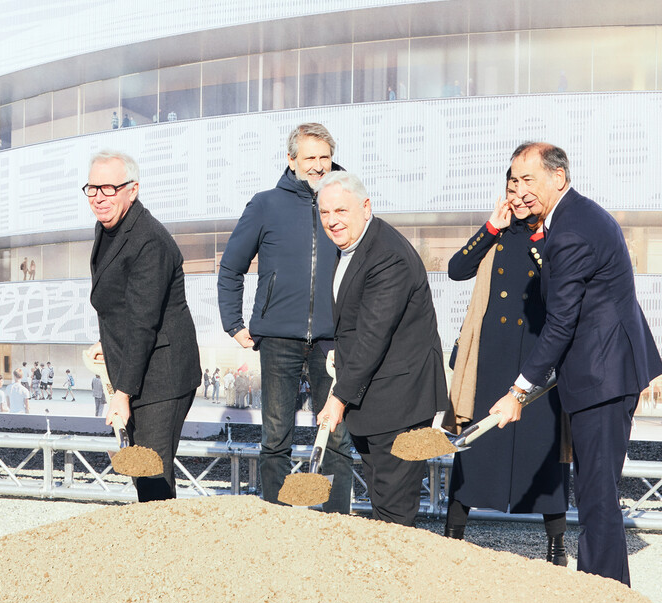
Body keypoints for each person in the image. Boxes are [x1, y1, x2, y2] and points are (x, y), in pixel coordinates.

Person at [488, 142, 662, 587]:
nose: (520, 190)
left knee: (597, 493)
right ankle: (603, 589)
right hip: (601, 368)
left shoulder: (570, 232)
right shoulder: (571, 217)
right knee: (593, 489)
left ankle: (604, 593)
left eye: (529, 180)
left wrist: (517, 393)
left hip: (604, 374)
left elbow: (561, 324)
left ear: (558, 177)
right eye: (515, 180)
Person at [217, 122, 354, 513]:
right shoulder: (265, 204)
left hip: (332, 340)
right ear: (290, 160)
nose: (317, 165)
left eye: (324, 157)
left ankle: (335, 520)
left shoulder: (344, 203)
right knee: (276, 436)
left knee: (336, 436)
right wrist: (234, 323)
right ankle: (276, 521)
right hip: (277, 340)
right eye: (309, 157)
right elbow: (231, 267)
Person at [442, 170, 570, 564]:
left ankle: (556, 543)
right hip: (491, 353)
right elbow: (456, 269)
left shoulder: (553, 234)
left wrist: (539, 243)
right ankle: (453, 533)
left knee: (545, 450)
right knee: (476, 443)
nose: (516, 196)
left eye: (523, 189)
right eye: (510, 189)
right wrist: (491, 226)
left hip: (537, 355)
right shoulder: (496, 233)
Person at [315, 171, 447, 525]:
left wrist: (338, 398)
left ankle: (403, 577)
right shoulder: (354, 246)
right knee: (382, 499)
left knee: (394, 509)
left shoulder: (387, 255)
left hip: (400, 402)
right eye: (325, 213)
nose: (332, 221)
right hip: (375, 402)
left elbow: (374, 335)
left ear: (365, 206)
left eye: (340, 211)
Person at [85, 149, 201, 502]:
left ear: (132, 190)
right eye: (92, 188)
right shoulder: (110, 228)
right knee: (142, 473)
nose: (99, 198)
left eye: (109, 188)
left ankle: (162, 550)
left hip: (163, 376)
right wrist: (108, 341)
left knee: (151, 474)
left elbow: (142, 322)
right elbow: (121, 304)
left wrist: (121, 395)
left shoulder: (149, 240)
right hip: (139, 366)